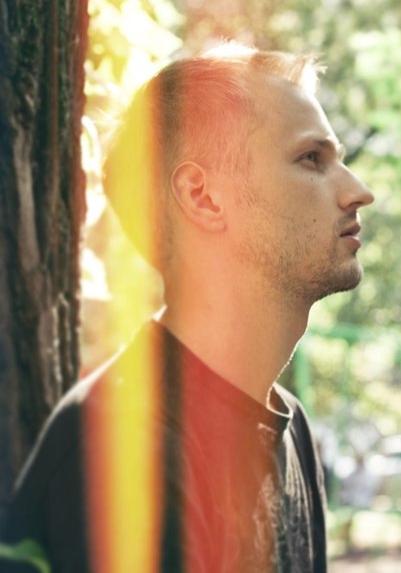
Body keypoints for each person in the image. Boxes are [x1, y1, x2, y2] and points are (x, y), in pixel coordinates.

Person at [1, 42, 374, 572]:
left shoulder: (293, 431)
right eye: (311, 159)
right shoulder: (121, 452)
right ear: (202, 196)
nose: (358, 191)